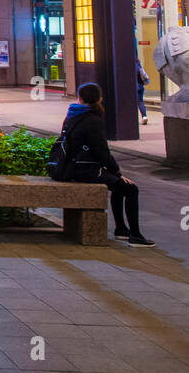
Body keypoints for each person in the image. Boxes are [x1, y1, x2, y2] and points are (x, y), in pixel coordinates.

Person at [58, 82, 155, 247]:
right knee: (131, 189)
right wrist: (117, 173)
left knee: (118, 186)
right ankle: (135, 234)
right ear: (99, 99)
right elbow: (102, 152)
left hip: (71, 167)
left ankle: (122, 229)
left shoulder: (72, 115)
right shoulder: (92, 120)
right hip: (85, 170)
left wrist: (114, 174)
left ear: (79, 98)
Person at [135, 57, 150, 125]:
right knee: (140, 102)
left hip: (134, 87)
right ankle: (144, 116)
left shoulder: (130, 66)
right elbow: (144, 75)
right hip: (140, 86)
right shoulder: (138, 65)